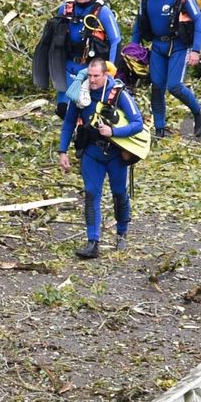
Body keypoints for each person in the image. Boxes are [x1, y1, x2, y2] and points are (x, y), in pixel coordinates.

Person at [57, 58, 144, 259]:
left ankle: (121, 233)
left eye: (97, 76)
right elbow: (69, 123)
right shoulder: (80, 94)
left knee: (119, 193)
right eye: (90, 75)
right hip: (91, 152)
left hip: (115, 154)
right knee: (91, 194)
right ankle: (92, 241)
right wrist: (62, 151)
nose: (93, 80)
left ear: (106, 75)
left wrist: (113, 131)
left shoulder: (119, 93)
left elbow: (138, 123)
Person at [130, 0, 201, 139]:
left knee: (174, 86)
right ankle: (159, 129)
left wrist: (195, 50)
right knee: (156, 87)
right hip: (158, 46)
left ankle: (198, 112)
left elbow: (199, 21)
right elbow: (139, 23)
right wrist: (133, 48)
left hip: (179, 45)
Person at [33, 0, 121, 118]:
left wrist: (110, 69)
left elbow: (116, 41)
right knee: (63, 111)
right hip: (67, 67)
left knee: (87, 112)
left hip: (89, 69)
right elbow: (51, 39)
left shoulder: (102, 12)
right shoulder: (65, 9)